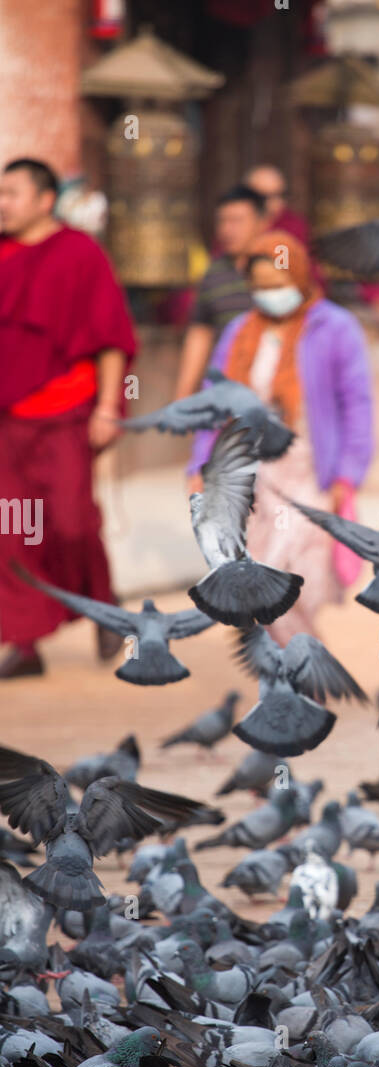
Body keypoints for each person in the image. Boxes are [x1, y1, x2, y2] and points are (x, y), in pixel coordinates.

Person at [187, 231, 373, 641]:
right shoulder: (239, 333)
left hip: (310, 474)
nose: (271, 295)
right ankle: (300, 677)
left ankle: (297, 675)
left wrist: (348, 474)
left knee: (293, 578)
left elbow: (357, 404)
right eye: (262, 288)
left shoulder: (335, 328)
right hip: (251, 478)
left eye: (279, 286)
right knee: (261, 581)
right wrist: (200, 464)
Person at [0, 157, 136, 679]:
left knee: (71, 521)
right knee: (16, 529)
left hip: (66, 412)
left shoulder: (80, 254)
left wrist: (107, 407)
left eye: (12, 193)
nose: (4, 204)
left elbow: (111, 338)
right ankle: (26, 642)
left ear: (44, 198)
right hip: (9, 420)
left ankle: (103, 603)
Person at [174, 184, 268, 399]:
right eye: (222, 221)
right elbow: (200, 333)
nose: (227, 229)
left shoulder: (281, 266)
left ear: (261, 223)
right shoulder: (214, 273)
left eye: (236, 221)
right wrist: (183, 397)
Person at [243, 165, 311, 246]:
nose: (275, 202)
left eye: (280, 195)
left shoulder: (293, 225)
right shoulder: (234, 223)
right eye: (264, 197)